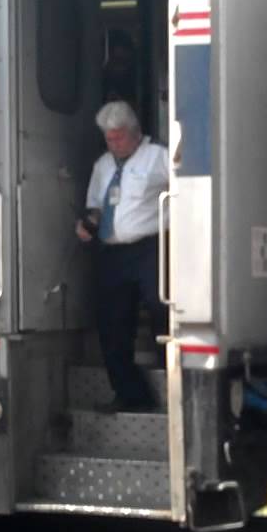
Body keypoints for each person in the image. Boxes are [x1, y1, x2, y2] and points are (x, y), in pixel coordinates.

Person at [76, 102, 170, 412]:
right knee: (112, 324)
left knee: (162, 311)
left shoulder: (157, 156)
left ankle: (174, 384)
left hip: (150, 246)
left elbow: (187, 189)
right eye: (109, 139)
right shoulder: (103, 164)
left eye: (118, 138)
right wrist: (87, 224)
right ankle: (131, 395)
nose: (113, 144)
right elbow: (95, 206)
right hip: (113, 252)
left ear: (134, 132)